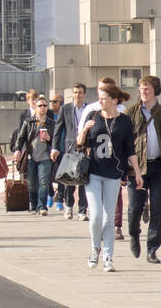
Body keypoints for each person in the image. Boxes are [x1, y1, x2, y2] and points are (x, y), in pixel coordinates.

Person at [77, 78, 144, 272]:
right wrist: (84, 130)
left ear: (114, 100)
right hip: (94, 172)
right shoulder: (93, 115)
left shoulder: (124, 121)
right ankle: (94, 248)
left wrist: (137, 173)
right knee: (96, 215)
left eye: (104, 98)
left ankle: (108, 256)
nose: (101, 102)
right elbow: (80, 142)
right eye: (99, 98)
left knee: (109, 218)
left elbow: (130, 149)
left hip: (114, 173)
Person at [125, 75, 161, 264]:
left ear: (156, 90)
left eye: (147, 88)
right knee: (134, 209)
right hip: (137, 168)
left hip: (160, 166)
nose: (143, 91)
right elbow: (123, 142)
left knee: (158, 209)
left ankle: (152, 249)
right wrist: (122, 171)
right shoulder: (131, 112)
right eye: (141, 88)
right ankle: (134, 234)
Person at [51, 84, 89, 220]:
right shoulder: (65, 109)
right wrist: (55, 147)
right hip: (70, 147)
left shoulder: (89, 109)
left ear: (84, 94)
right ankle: (68, 205)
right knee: (70, 180)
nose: (77, 95)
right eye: (75, 92)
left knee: (84, 180)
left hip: (85, 147)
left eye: (80, 92)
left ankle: (83, 210)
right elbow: (58, 129)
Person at [16, 96, 56, 214]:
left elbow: (56, 139)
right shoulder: (29, 122)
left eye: (44, 105)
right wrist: (18, 149)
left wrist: (49, 139)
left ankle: (42, 206)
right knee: (32, 183)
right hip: (31, 156)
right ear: (36, 107)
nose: (42, 108)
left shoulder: (51, 123)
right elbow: (21, 137)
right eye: (40, 106)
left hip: (45, 157)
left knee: (44, 182)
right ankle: (33, 205)